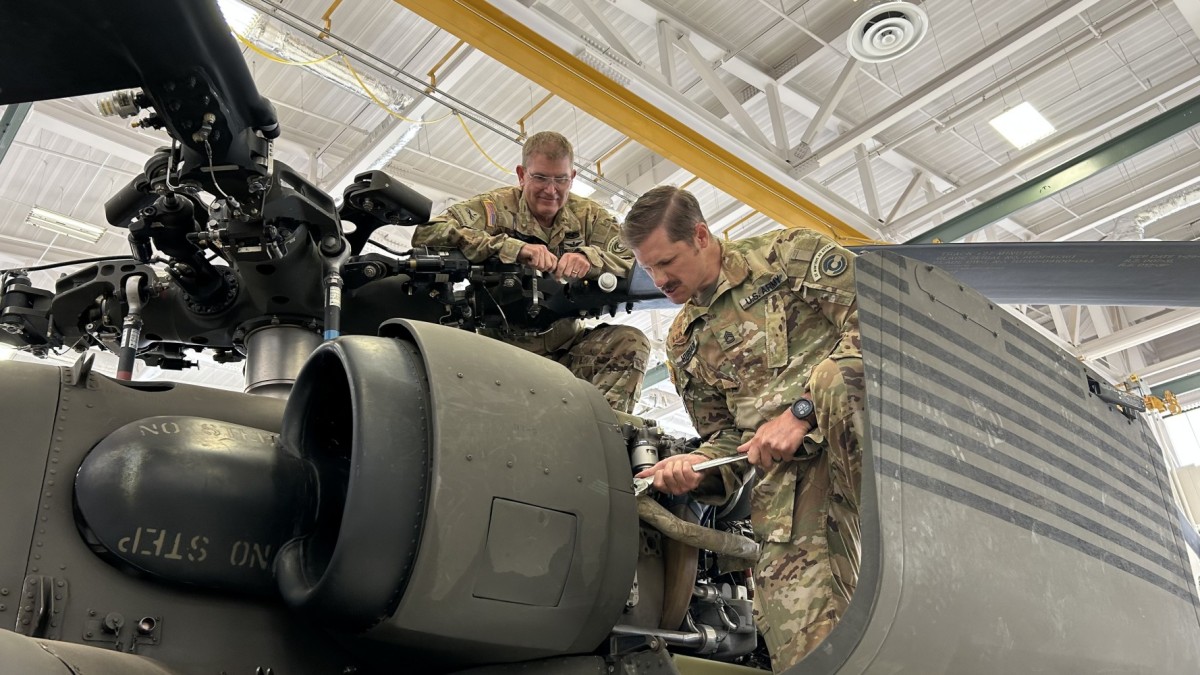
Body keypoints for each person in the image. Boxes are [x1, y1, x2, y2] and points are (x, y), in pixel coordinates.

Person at [621, 186, 865, 672]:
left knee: (833, 378)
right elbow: (728, 439)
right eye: (649, 269)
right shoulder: (684, 341)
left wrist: (801, 413)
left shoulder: (788, 258)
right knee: (802, 637)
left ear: (701, 235)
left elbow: (880, 328)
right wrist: (697, 466)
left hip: (864, 444)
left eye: (667, 261)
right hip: (789, 495)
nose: (660, 279)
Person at [411, 131, 649, 413]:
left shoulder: (589, 216)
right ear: (522, 175)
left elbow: (639, 259)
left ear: (572, 178)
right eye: (540, 178)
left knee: (630, 342)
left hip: (566, 350)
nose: (551, 190)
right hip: (498, 352)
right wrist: (511, 249)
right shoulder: (495, 209)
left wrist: (591, 258)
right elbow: (428, 233)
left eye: (561, 179)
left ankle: (603, 435)